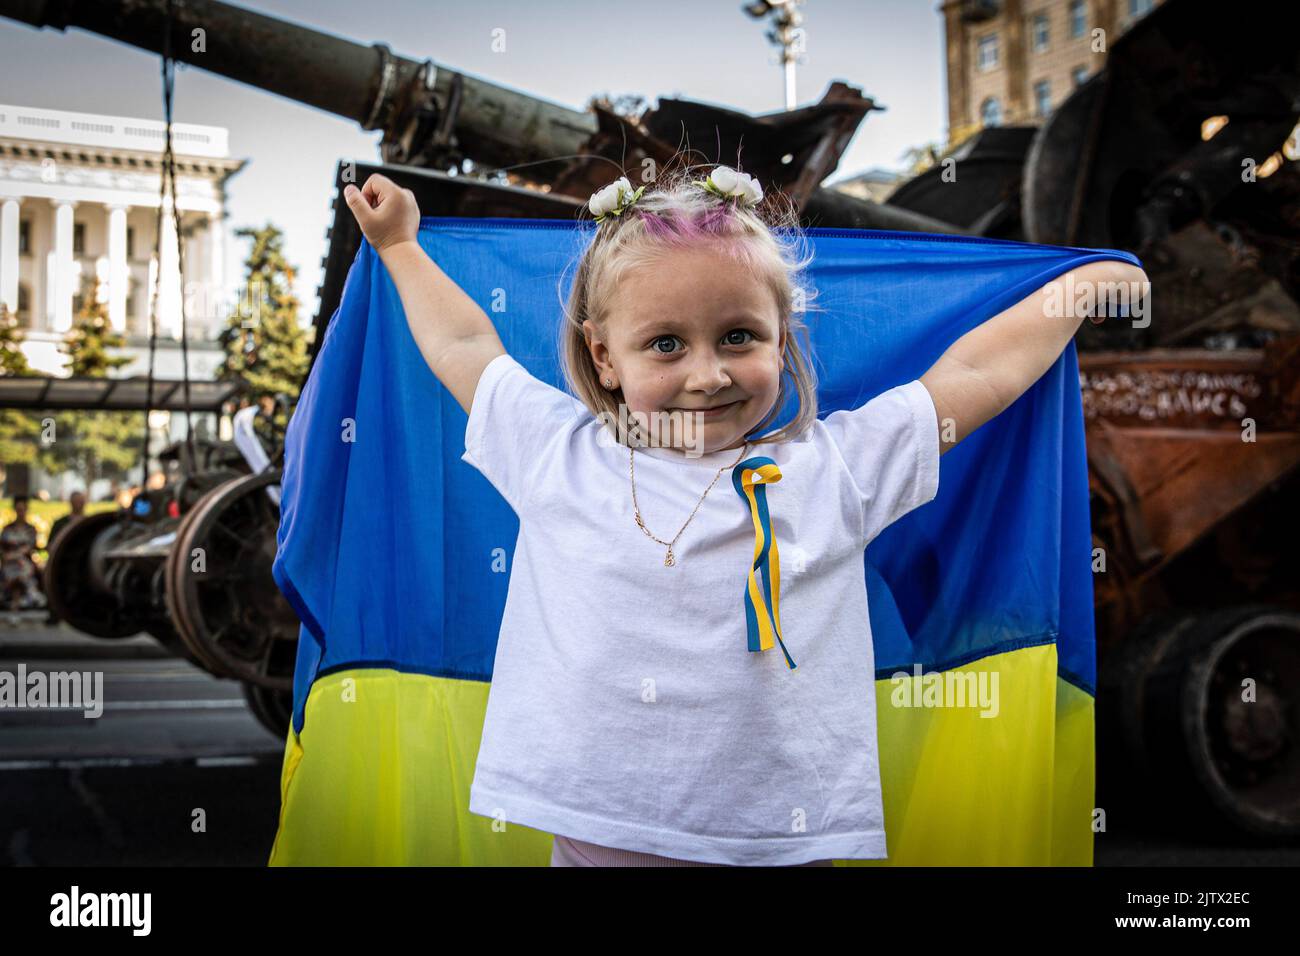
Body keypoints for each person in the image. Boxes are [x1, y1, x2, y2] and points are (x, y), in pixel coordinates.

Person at [342, 162, 1146, 867]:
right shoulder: (557, 453)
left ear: (781, 337)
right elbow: (463, 348)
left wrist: (1076, 292)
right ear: (602, 357)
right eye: (664, 344)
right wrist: (400, 247)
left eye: (738, 337)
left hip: (779, 842)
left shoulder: (836, 470)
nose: (708, 374)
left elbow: (975, 374)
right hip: (597, 836)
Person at [44, 490, 87, 625]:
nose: (80, 504)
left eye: (81, 501)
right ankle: (55, 613)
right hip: (62, 562)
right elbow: (50, 545)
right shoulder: (60, 523)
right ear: (71, 503)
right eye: (77, 501)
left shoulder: (88, 523)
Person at [1, 495, 45, 611]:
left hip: (24, 563)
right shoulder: (7, 529)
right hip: (10, 564)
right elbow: (3, 549)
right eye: (18, 509)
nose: (21, 512)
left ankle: (18, 601)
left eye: (23, 509)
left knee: (23, 569)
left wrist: (14, 555)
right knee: (13, 571)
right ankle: (15, 600)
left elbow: (30, 548)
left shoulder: (31, 529)